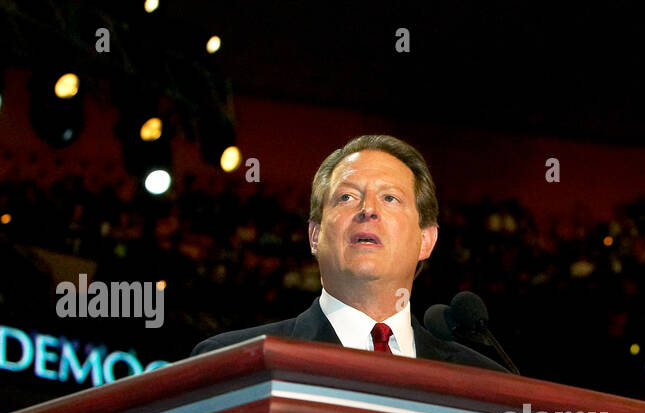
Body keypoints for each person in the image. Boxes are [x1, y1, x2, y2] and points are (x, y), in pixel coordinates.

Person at [191, 134, 507, 371]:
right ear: (314, 236)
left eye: (390, 198)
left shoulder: (483, 381)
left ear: (426, 240)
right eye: (346, 197)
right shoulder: (234, 364)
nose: (368, 210)